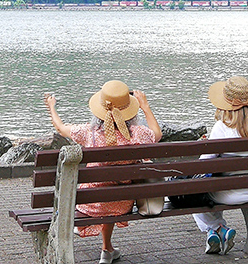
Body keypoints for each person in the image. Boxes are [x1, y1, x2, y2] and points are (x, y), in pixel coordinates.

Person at [44, 80, 162, 264]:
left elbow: (60, 128)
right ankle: (106, 249)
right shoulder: (139, 134)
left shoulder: (88, 133)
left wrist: (52, 107)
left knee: (103, 194)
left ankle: (103, 245)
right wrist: (146, 107)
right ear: (130, 110)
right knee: (112, 196)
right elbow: (157, 134)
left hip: (90, 202)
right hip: (122, 201)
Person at [192, 76, 248, 255]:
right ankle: (218, 231)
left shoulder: (221, 127)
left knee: (193, 191)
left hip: (228, 194)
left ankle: (217, 229)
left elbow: (202, 166)